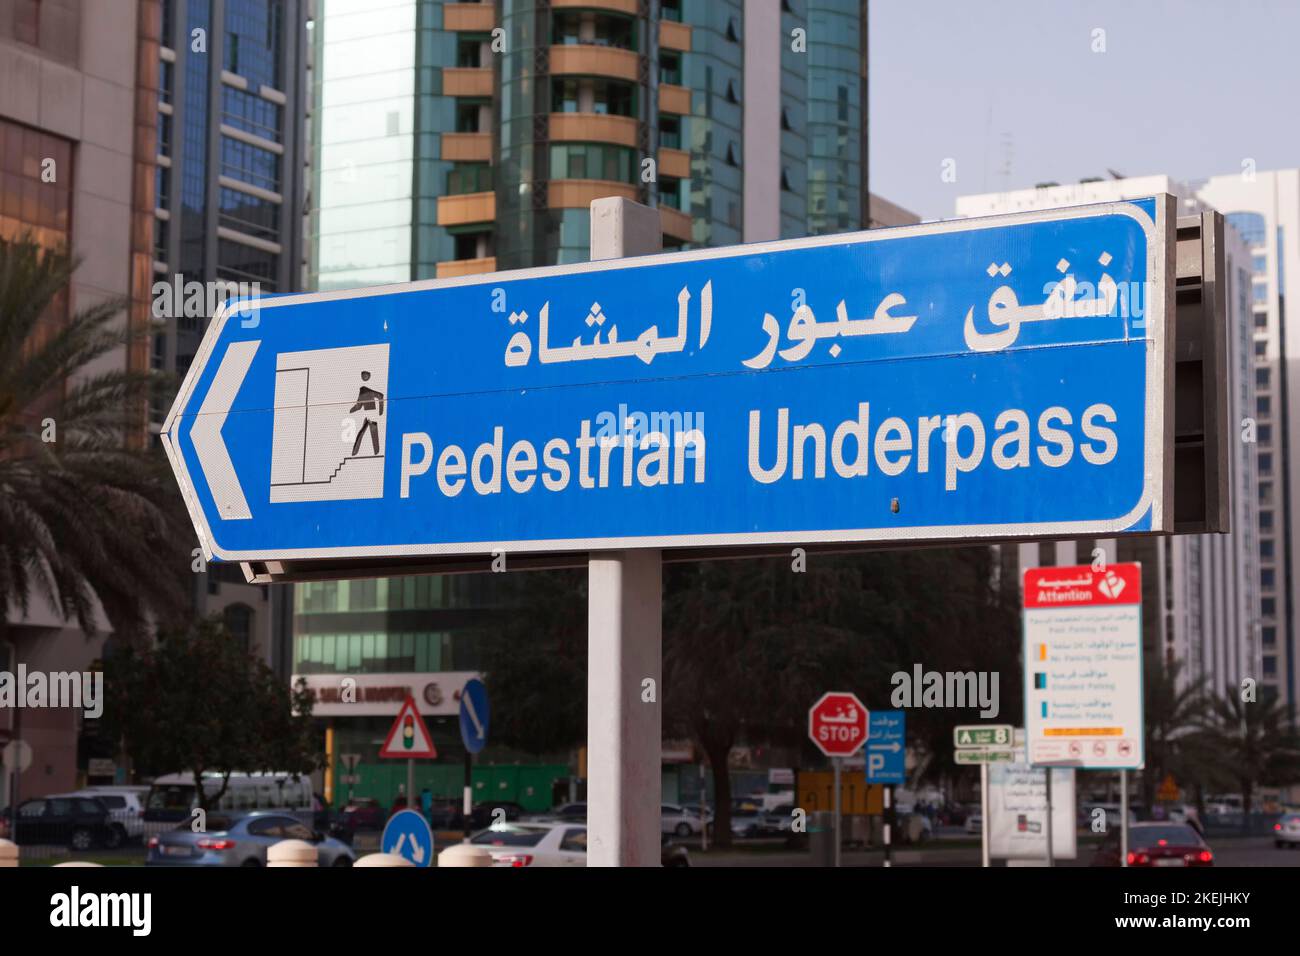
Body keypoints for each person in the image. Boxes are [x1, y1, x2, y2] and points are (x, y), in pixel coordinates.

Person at [349, 370, 384, 457]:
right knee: (367, 431)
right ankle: (375, 451)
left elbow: (380, 396)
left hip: (371, 414)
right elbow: (359, 406)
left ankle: (356, 451)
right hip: (369, 413)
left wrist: (381, 411)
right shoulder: (363, 392)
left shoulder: (365, 391)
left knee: (366, 431)